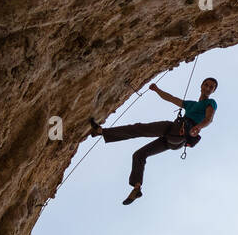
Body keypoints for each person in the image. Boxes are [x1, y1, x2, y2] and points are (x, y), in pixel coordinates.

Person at [89, 77, 218, 204]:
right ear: (201, 86)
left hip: (179, 130)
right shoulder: (191, 104)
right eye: (206, 85)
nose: (208, 88)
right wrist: (157, 90)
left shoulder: (210, 102)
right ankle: (137, 187)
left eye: (211, 87)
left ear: (213, 91)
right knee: (139, 155)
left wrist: (199, 126)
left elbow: (209, 118)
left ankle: (101, 132)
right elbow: (171, 98)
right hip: (175, 140)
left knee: (139, 129)